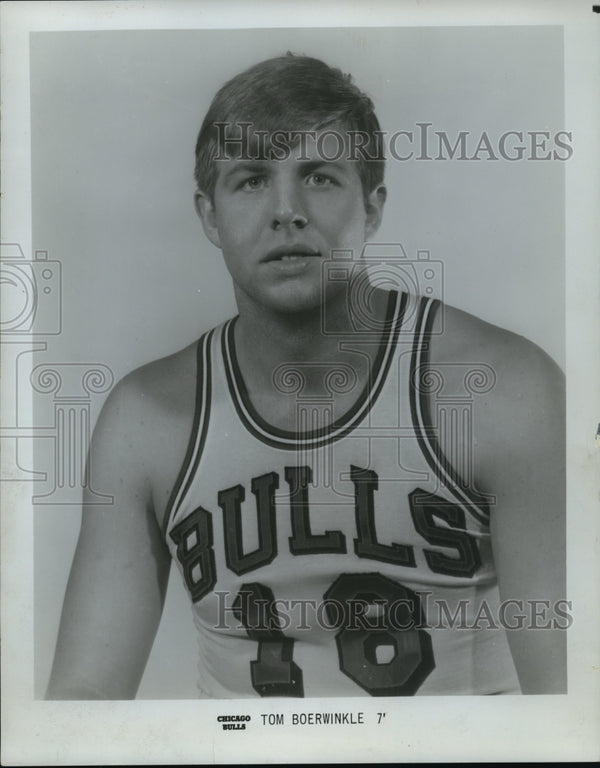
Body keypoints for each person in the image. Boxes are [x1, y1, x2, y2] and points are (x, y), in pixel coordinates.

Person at [46, 53, 566, 699]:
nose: (286, 211)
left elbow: (571, 701)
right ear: (209, 214)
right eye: (251, 180)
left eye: (319, 177)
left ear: (372, 208)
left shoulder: (503, 389)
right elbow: (83, 705)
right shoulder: (145, 420)